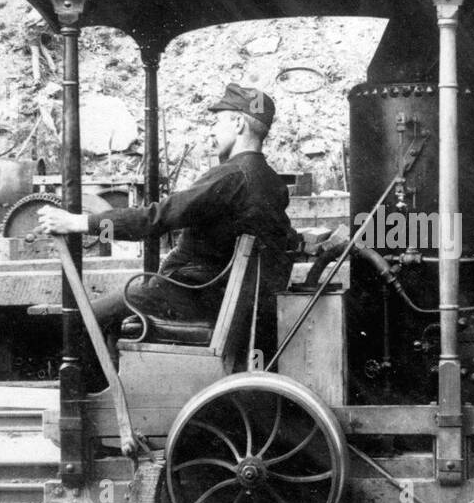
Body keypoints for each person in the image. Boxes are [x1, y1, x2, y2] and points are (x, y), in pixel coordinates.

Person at [35, 83, 297, 364]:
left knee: (82, 320)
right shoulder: (272, 182)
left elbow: (155, 219)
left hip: (193, 297)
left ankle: (96, 391)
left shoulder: (230, 176)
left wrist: (80, 222)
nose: (211, 130)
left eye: (216, 121)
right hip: (221, 299)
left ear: (238, 123)